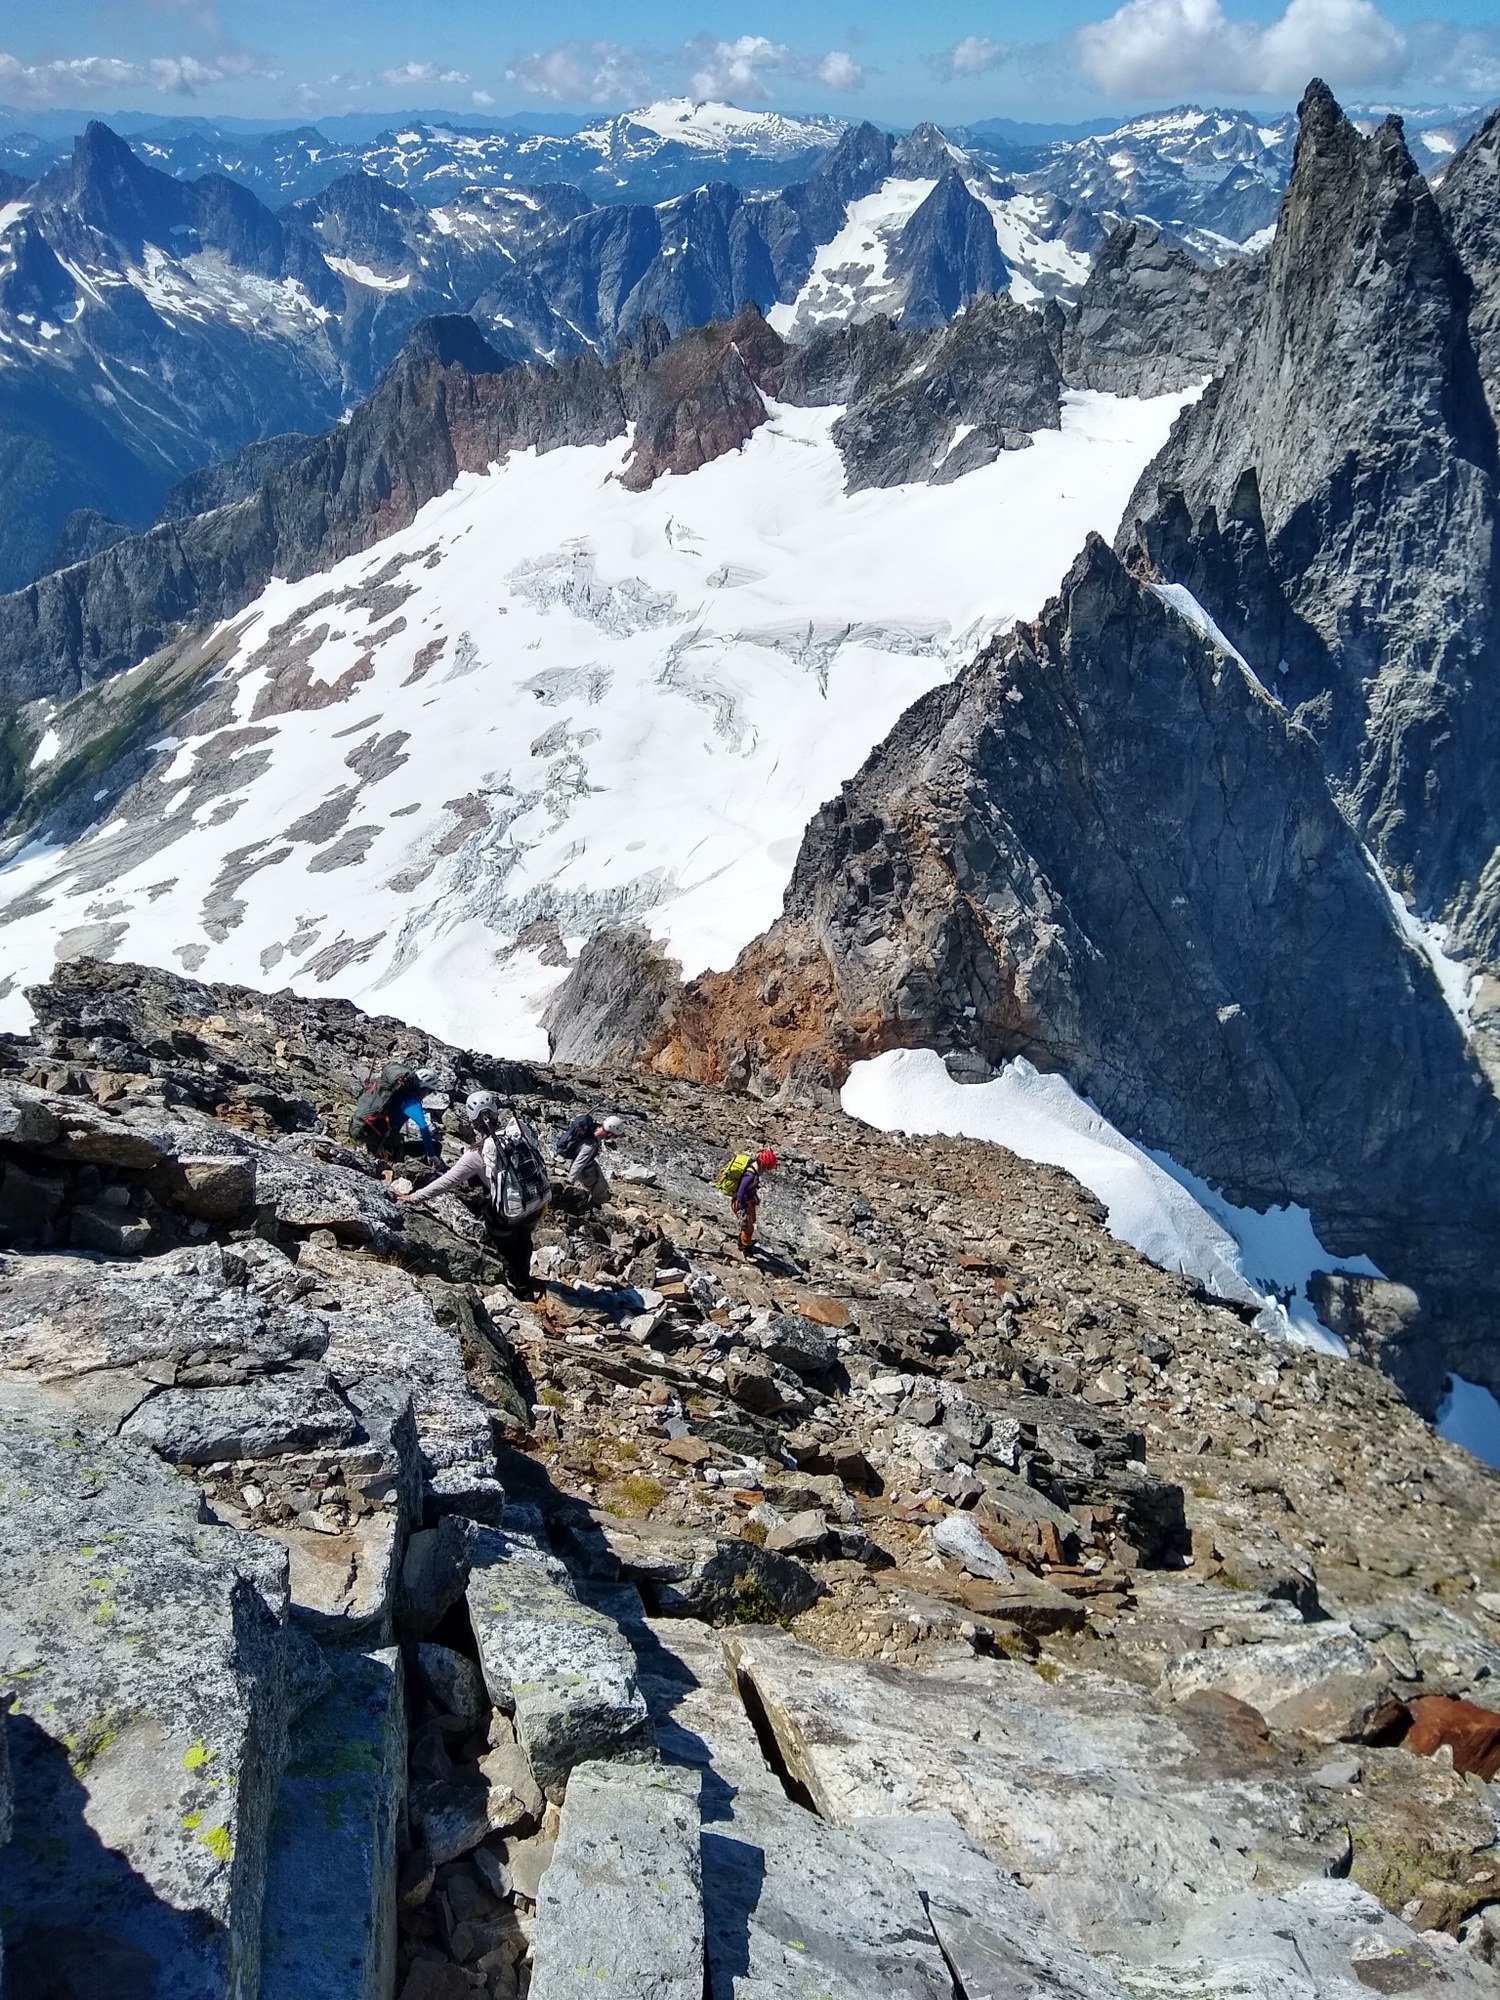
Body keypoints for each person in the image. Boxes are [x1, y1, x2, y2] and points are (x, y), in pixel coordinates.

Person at [397, 1091, 545, 1300]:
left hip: (507, 1211)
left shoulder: (477, 1154)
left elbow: (447, 1182)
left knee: (506, 1248)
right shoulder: (518, 1132)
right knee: (524, 1239)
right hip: (535, 1201)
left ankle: (524, 1292)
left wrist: (414, 1197)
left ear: (473, 1121)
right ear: (495, 1112)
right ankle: (526, 1274)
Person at [562, 1114, 624, 1211]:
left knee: (603, 1185)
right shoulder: (590, 1146)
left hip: (590, 1163)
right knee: (600, 1190)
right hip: (586, 1170)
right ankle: (591, 1208)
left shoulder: (592, 1128)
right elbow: (579, 1164)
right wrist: (570, 1181)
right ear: (610, 1133)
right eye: (614, 1136)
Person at [728, 1148, 778, 1254]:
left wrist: (755, 1197)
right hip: (741, 1202)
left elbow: (751, 1188)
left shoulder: (754, 1172)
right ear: (761, 1164)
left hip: (748, 1201)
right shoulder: (750, 1175)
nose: (765, 1171)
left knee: (751, 1221)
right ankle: (746, 1249)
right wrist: (743, 1210)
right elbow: (741, 1193)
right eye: (765, 1168)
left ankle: (741, 1241)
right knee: (748, 1226)